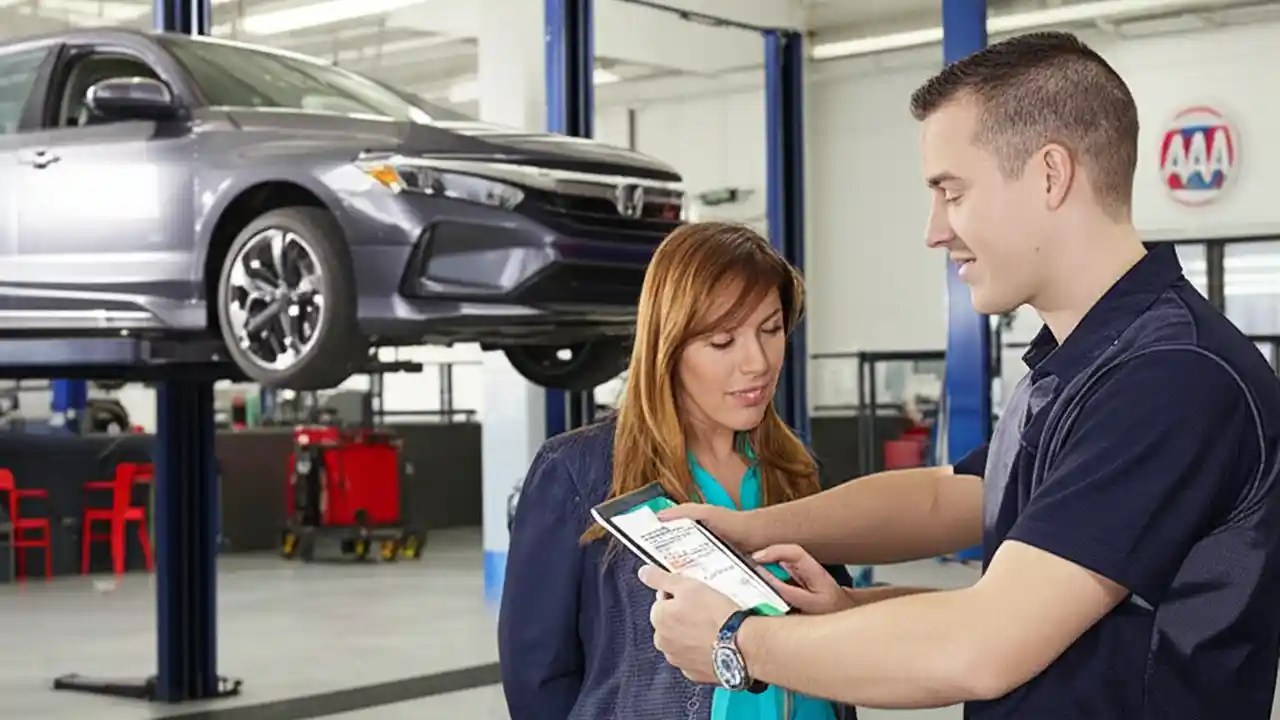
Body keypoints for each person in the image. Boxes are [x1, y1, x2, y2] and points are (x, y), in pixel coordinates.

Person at [637, 30, 1280, 720]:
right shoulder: (1078, 363)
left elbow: (982, 645)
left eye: (952, 191)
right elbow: (957, 498)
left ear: (1050, 175)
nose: (934, 230)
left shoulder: (1171, 379)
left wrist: (740, 642)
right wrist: (756, 536)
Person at [497, 221, 858, 720]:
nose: (756, 362)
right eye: (722, 341)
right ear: (668, 346)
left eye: (771, 330)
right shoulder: (579, 474)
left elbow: (839, 623)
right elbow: (538, 677)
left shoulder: (795, 470)